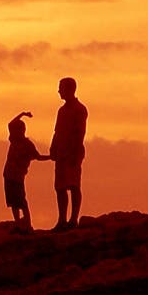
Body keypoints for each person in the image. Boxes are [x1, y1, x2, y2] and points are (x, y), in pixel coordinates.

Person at [49, 77, 88, 231]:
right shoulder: (62, 111)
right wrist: (53, 147)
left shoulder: (80, 109)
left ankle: (73, 220)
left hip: (73, 153)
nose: (59, 91)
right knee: (60, 187)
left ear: (69, 89)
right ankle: (62, 220)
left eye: (61, 87)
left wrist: (73, 152)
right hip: (61, 153)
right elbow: (57, 131)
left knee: (73, 185)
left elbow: (80, 133)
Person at [3, 111, 51, 234]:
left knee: (21, 201)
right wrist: (22, 114)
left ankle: (28, 225)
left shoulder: (27, 145)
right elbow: (11, 123)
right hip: (8, 175)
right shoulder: (13, 140)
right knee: (13, 202)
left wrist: (51, 157)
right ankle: (18, 224)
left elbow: (38, 157)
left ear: (23, 130)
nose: (15, 132)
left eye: (18, 130)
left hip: (18, 177)